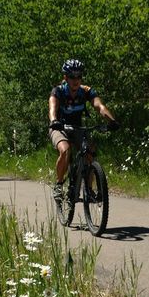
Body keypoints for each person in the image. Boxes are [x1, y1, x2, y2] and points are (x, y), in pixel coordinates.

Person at [48, 59, 119, 200]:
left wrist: (112, 121)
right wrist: (54, 120)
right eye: (72, 76)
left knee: (90, 151)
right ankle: (59, 184)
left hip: (77, 128)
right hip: (59, 127)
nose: (76, 80)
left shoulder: (86, 91)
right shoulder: (59, 91)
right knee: (65, 150)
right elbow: (52, 108)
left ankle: (89, 189)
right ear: (65, 77)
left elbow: (99, 106)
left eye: (79, 76)